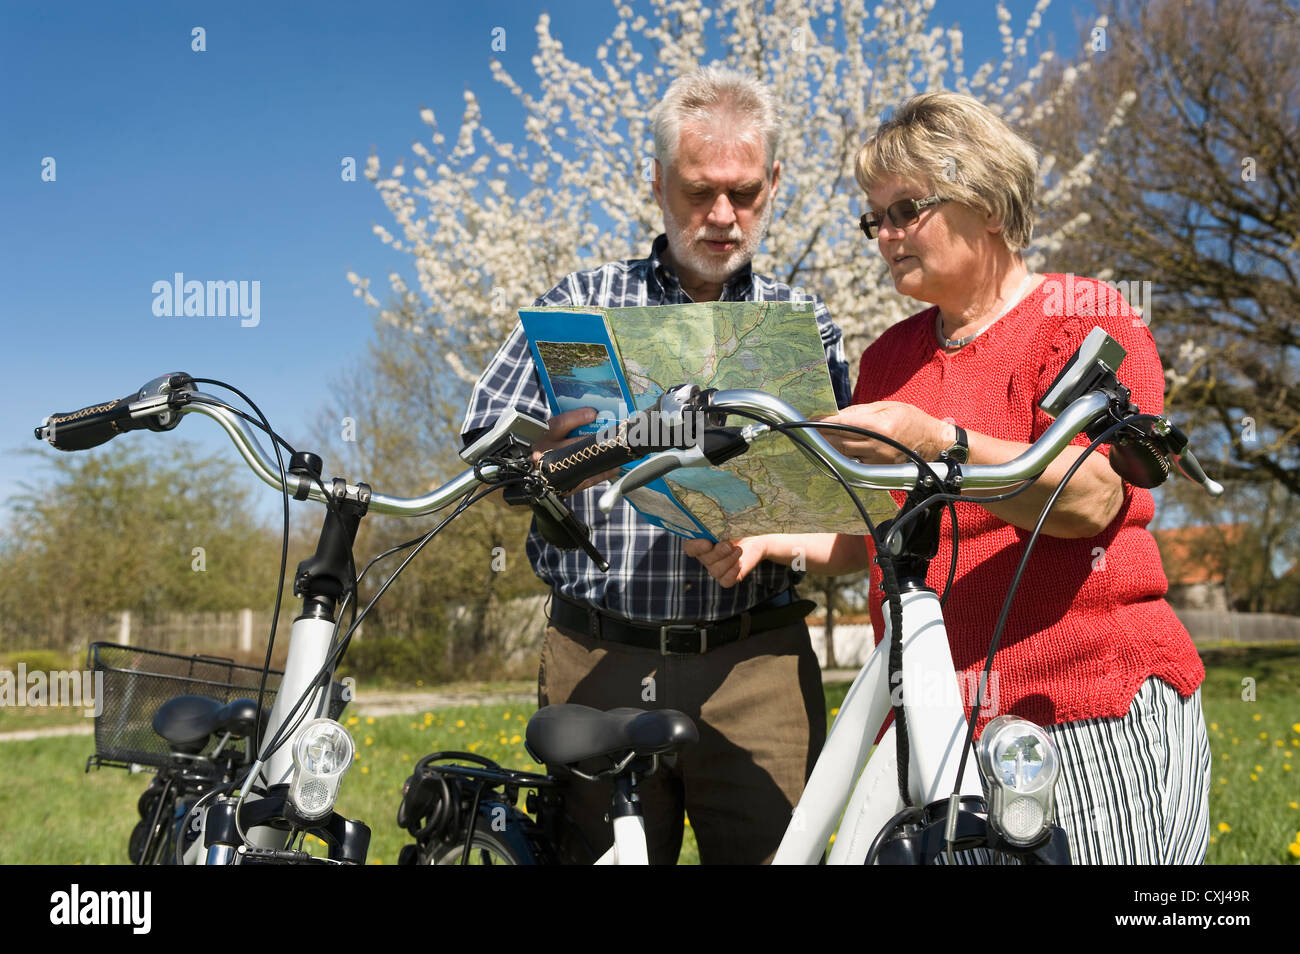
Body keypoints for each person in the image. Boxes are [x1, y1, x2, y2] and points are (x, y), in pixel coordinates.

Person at [686, 91, 1211, 864]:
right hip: (931, 709)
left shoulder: (1083, 318)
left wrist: (940, 439)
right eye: (875, 219)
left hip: (1079, 701)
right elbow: (886, 528)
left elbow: (1093, 499)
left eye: (905, 211)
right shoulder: (890, 358)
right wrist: (775, 539)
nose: (885, 237)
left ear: (988, 203)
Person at [460, 66, 851, 865]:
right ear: (656, 181)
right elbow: (486, 450)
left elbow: (848, 498)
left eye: (744, 194)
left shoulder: (804, 329)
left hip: (757, 667)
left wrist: (772, 535)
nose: (720, 216)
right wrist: (568, 455)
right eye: (697, 189)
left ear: (774, 184)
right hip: (598, 657)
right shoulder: (582, 308)